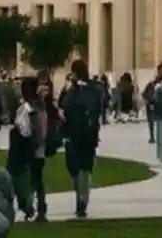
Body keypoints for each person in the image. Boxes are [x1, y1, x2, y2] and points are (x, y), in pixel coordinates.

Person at [59, 59, 102, 219]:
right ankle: (82, 197)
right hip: (83, 134)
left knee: (78, 168)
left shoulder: (84, 91)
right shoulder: (88, 89)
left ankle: (81, 200)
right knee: (81, 168)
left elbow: (64, 107)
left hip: (79, 134)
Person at [7, 77, 39, 221]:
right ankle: (25, 204)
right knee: (19, 175)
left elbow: (26, 129)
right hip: (22, 144)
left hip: (21, 144)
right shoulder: (26, 107)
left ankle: (26, 205)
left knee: (19, 176)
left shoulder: (27, 108)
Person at [32, 76, 61, 223]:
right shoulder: (40, 106)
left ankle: (39, 208)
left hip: (39, 146)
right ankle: (37, 207)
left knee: (36, 177)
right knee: (35, 177)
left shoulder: (46, 107)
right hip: (37, 145)